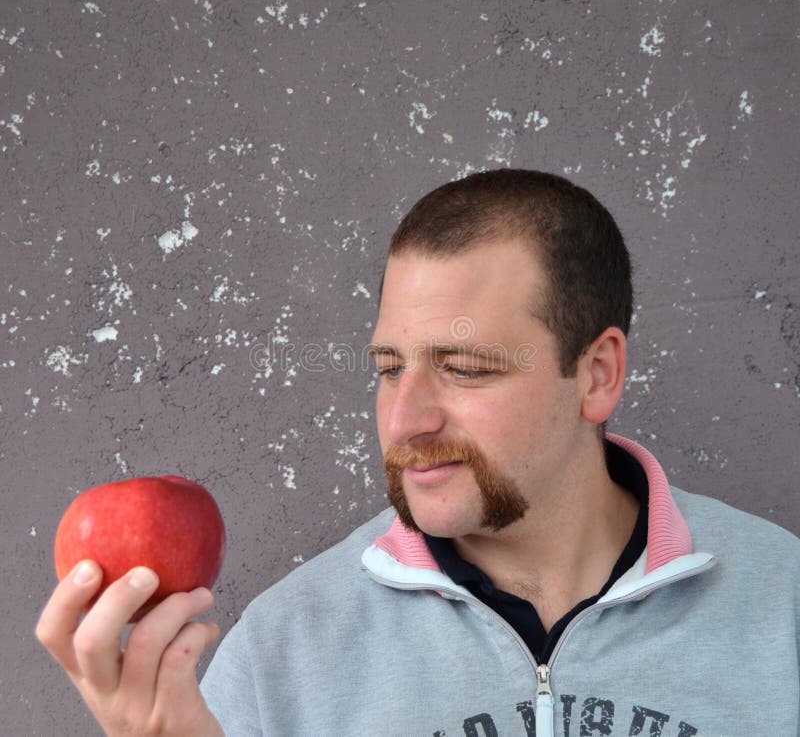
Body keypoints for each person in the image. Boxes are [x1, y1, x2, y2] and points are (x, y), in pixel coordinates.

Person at [37, 169, 799, 737]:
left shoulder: (784, 610)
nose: (405, 419)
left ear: (596, 375)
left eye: (464, 367)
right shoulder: (283, 653)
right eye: (389, 368)